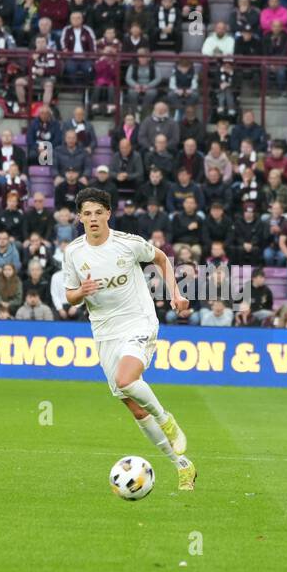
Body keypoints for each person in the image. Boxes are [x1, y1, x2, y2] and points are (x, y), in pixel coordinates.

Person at [60, 187, 197, 492]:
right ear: (80, 218)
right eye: (87, 213)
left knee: (126, 379)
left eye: (98, 212)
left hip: (139, 321)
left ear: (108, 213)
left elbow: (161, 258)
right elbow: (69, 297)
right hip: (104, 333)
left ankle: (167, 420)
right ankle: (182, 466)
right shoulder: (73, 253)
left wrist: (175, 293)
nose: (93, 218)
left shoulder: (128, 244)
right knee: (135, 408)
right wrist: (80, 292)